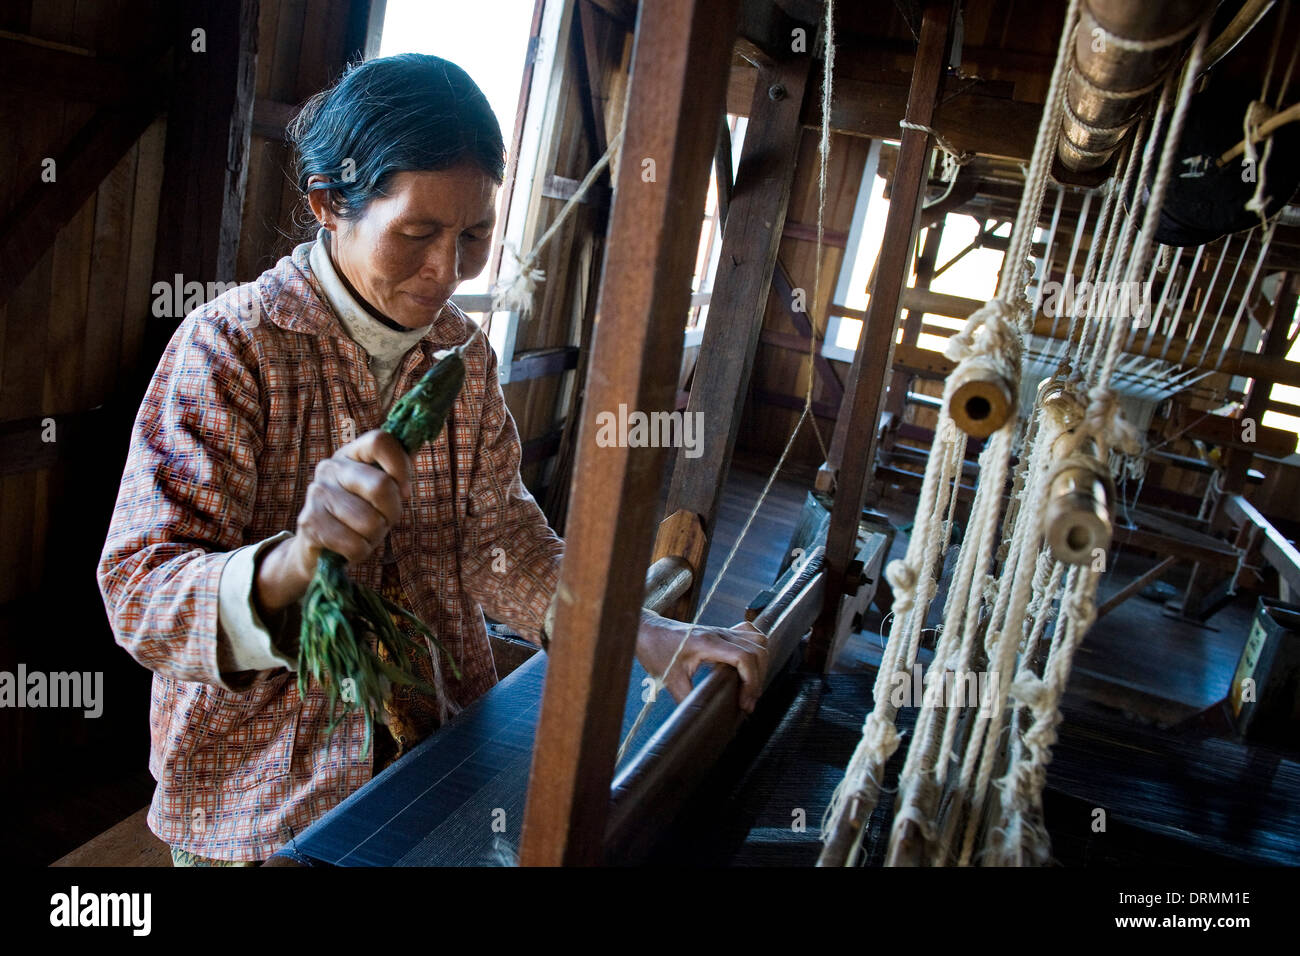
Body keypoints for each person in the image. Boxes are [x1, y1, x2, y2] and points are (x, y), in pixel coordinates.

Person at [97, 53, 768, 865]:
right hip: (261, 797)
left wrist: (640, 632)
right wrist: (295, 561)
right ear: (327, 206)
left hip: (434, 757)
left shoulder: (462, 357)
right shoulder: (232, 350)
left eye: (475, 235)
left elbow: (502, 542)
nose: (447, 271)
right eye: (417, 234)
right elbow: (141, 595)